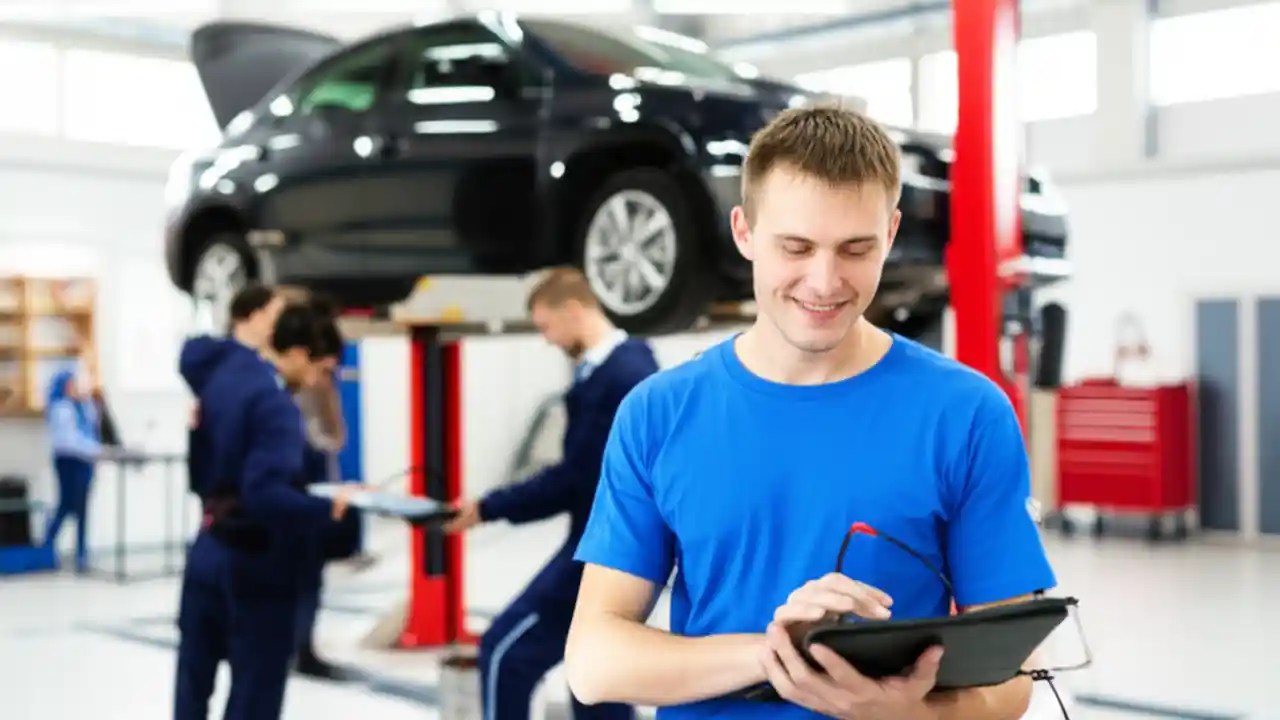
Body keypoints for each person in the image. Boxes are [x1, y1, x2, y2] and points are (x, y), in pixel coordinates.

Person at [563, 105, 1058, 720]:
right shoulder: (659, 415)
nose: (824, 282)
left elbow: (1014, 676)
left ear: (892, 234)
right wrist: (784, 653)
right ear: (743, 232)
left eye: (856, 249)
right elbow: (593, 661)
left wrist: (909, 714)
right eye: (795, 247)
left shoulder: (966, 415)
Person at [444, 267, 658, 720]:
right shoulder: (616, 370)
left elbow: (575, 479)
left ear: (575, 310)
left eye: (546, 326)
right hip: (606, 547)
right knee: (595, 675)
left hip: (602, 554)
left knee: (506, 653)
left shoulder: (623, 377)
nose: (547, 339)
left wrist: (487, 507)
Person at [173, 301, 357, 720]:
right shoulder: (275, 405)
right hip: (256, 564)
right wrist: (329, 508)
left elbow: (199, 476)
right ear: (296, 354)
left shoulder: (222, 377)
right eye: (319, 369)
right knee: (255, 692)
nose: (316, 381)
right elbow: (265, 496)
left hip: (207, 550)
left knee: (193, 684)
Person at [291, 299, 355, 680]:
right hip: (293, 497)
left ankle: (303, 648)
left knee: (310, 580)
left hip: (315, 494)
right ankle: (294, 648)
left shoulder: (320, 387)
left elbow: (334, 437)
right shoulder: (283, 393)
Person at [41, 366, 102, 573]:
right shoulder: (60, 408)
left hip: (85, 462)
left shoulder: (83, 406)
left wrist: (89, 401)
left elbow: (92, 426)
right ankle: (46, 546)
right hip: (68, 462)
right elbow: (69, 440)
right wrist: (94, 450)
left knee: (83, 509)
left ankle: (81, 554)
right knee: (66, 505)